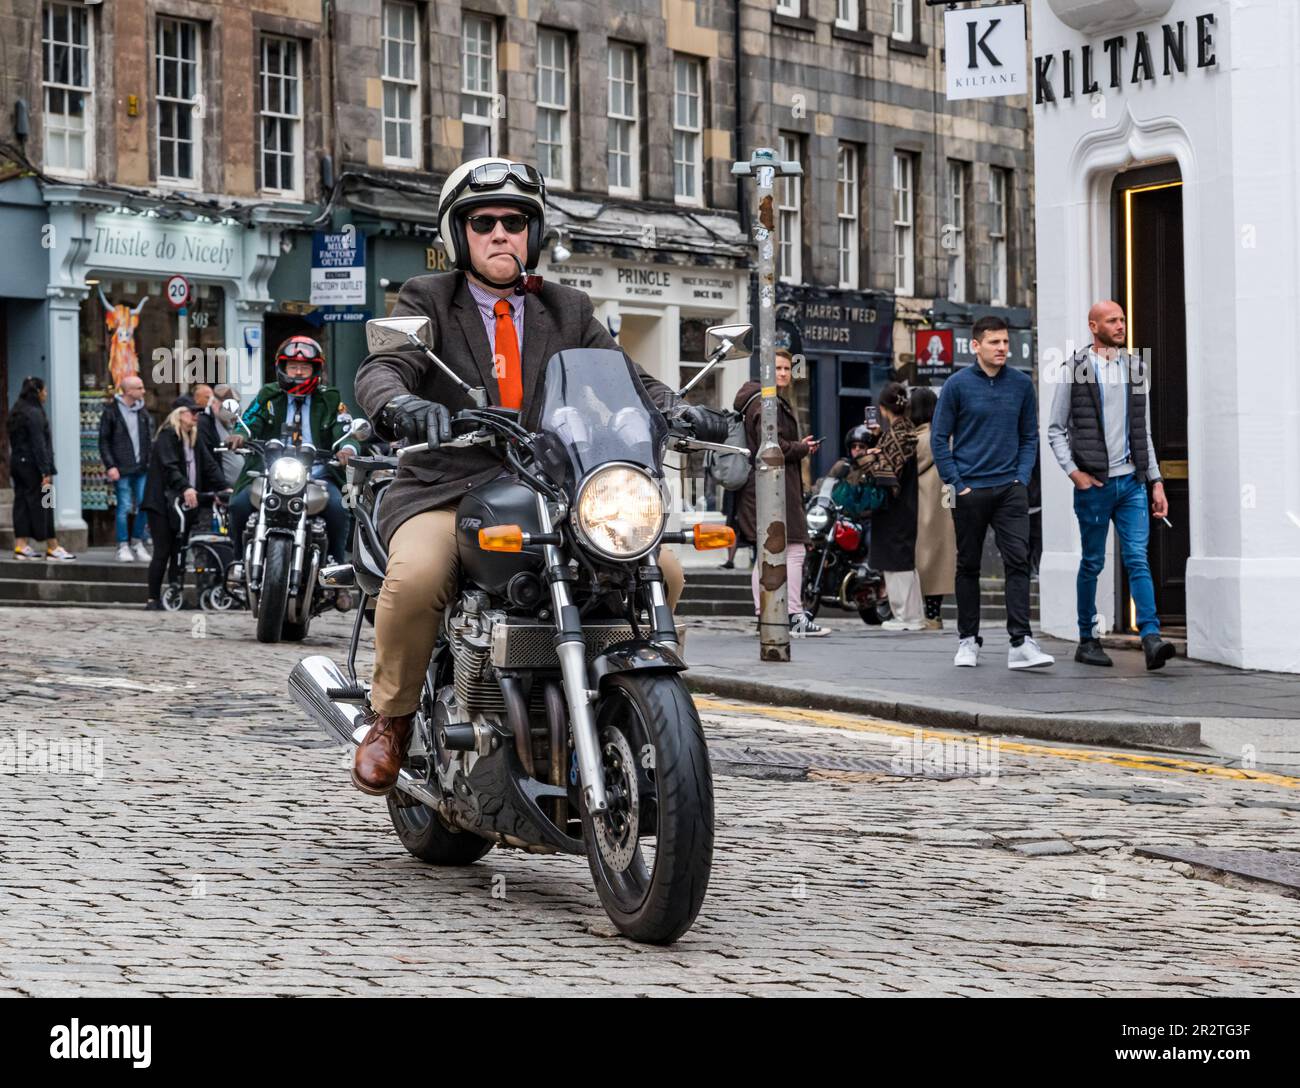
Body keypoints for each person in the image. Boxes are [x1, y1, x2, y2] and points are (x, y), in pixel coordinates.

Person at [350, 156, 728, 794]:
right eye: (484, 221)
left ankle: (618, 699)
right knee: (416, 578)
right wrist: (402, 405)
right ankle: (392, 717)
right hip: (449, 488)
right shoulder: (427, 299)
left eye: (515, 221)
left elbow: (626, 381)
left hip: (549, 491)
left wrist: (677, 410)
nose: (501, 233)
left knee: (660, 567)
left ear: (534, 232)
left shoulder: (568, 307)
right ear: (458, 235)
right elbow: (382, 369)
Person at [1047, 299, 1175, 671]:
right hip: (1095, 485)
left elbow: (1143, 431)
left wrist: (1155, 481)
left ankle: (1151, 638)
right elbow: (1055, 429)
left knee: (1138, 559)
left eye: (1122, 319)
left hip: (1132, 483)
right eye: (1112, 320)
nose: (1121, 326)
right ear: (1093, 325)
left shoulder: (1134, 367)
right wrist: (1074, 473)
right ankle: (1087, 639)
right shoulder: (1076, 369)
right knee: (1092, 562)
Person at [931, 315, 1053, 669]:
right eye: (994, 342)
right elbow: (939, 438)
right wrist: (957, 483)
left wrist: (1021, 477)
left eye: (1005, 342)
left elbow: (1030, 434)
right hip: (969, 489)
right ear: (976, 346)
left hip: (1010, 489)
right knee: (968, 564)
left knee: (1018, 561)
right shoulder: (956, 385)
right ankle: (968, 641)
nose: (1002, 348)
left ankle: (1020, 642)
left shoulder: (1021, 384)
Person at [227, 336, 358, 566]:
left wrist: (347, 448)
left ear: (315, 370)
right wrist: (241, 434)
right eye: (293, 367)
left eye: (304, 367)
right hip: (270, 473)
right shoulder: (268, 394)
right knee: (238, 505)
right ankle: (238, 562)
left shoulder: (330, 398)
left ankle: (336, 571)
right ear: (282, 367)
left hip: (317, 475)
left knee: (340, 508)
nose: (298, 372)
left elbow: (345, 428)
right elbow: (250, 419)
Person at [734, 348, 826, 636]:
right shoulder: (766, 402)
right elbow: (772, 446)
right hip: (772, 489)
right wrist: (802, 448)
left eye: (787, 368)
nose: (784, 373)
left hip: (768, 488)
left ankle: (767, 615)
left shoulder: (761, 400)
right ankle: (793, 614)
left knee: (767, 553)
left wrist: (797, 446)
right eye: (778, 368)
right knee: (795, 550)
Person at [846, 382, 923, 631]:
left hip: (893, 508)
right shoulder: (907, 432)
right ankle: (912, 615)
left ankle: (905, 617)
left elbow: (887, 471)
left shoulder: (897, 435)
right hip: (907, 505)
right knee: (904, 562)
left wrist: (864, 459)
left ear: (882, 408)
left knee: (895, 562)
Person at [140, 396, 225, 609]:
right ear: (180, 414)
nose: (196, 416)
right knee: (163, 550)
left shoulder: (193, 439)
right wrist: (186, 487)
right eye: (192, 412)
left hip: (182, 504)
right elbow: (170, 467)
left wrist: (224, 487)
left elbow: (208, 465)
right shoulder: (168, 436)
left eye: (198, 412)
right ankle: (153, 598)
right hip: (162, 503)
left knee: (180, 549)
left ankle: (175, 591)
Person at [8, 377, 75, 561]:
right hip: (35, 466)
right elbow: (39, 443)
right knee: (47, 502)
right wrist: (46, 470)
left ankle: (21, 544)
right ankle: (52, 545)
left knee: (21, 503)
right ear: (37, 391)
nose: (46, 394)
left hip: (18, 463)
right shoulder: (35, 413)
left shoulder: (17, 411)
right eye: (44, 390)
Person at [909, 386, 955, 630]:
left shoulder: (916, 439)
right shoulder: (944, 438)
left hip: (917, 506)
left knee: (919, 561)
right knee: (939, 561)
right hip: (942, 506)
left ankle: (921, 614)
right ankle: (934, 614)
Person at [98, 374, 154, 562]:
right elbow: (104, 440)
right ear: (128, 391)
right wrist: (110, 465)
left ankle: (137, 541)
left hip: (141, 466)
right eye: (139, 388)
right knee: (124, 506)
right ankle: (122, 544)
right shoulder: (112, 411)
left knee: (143, 504)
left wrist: (149, 460)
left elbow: (148, 438)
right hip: (121, 467)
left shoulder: (143, 412)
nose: (143, 391)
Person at [196, 384, 244, 489]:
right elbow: (207, 461)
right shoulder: (204, 423)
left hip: (236, 489)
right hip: (218, 491)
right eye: (227, 405)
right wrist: (222, 487)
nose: (230, 410)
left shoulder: (230, 424)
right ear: (214, 402)